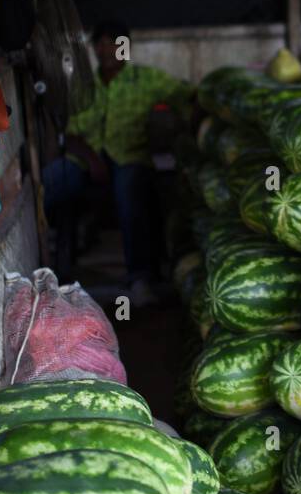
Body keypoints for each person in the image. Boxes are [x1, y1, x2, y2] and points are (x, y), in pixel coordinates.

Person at [42, 18, 195, 305]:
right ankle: (54, 272)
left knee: (130, 190)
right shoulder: (84, 87)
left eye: (114, 43)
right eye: (100, 44)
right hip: (87, 158)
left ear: (126, 47)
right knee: (53, 180)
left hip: (129, 157)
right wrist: (91, 159)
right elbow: (70, 134)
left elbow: (186, 95)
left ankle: (140, 278)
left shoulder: (146, 79)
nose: (106, 49)